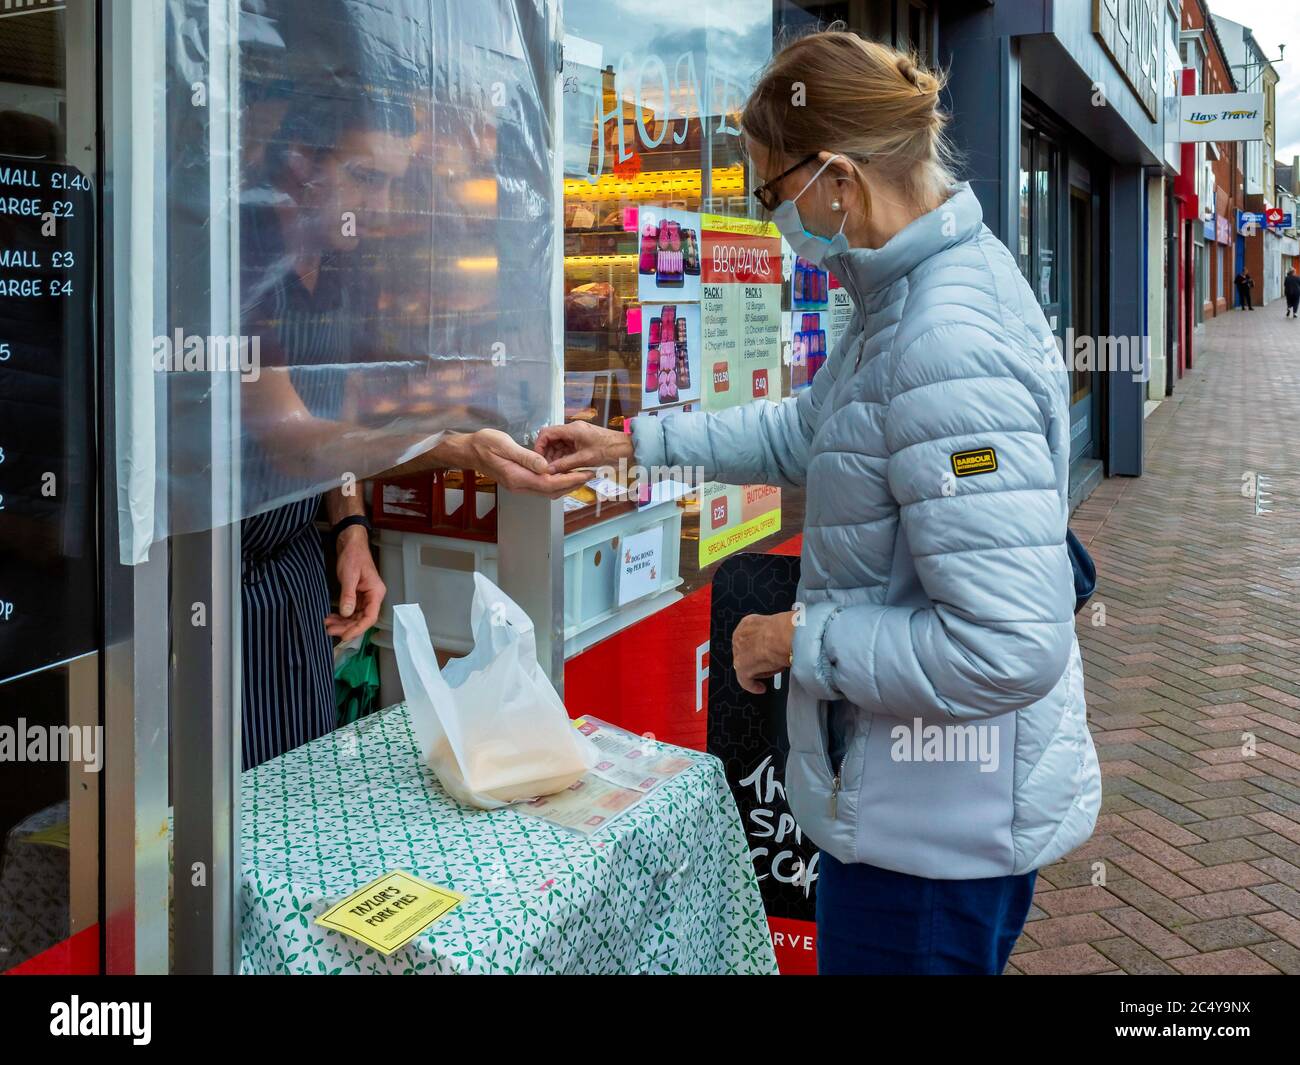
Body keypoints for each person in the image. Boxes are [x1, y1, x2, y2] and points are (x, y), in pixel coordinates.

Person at [536, 30, 1100, 975]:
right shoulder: (905, 299)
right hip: (910, 816)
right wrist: (635, 442)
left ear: (836, 178)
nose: (773, 218)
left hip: (928, 840)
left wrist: (798, 639)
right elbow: (811, 431)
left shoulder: (943, 341)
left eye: (771, 191)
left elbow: (1008, 646)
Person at [238, 93, 588, 771]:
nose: (382, 206)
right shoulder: (242, 267)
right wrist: (457, 443)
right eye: (366, 178)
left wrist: (349, 527)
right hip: (217, 590)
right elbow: (297, 438)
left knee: (305, 785)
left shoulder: (338, 271)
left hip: (296, 580)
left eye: (395, 183)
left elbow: (339, 437)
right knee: (222, 822)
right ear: (298, 164)